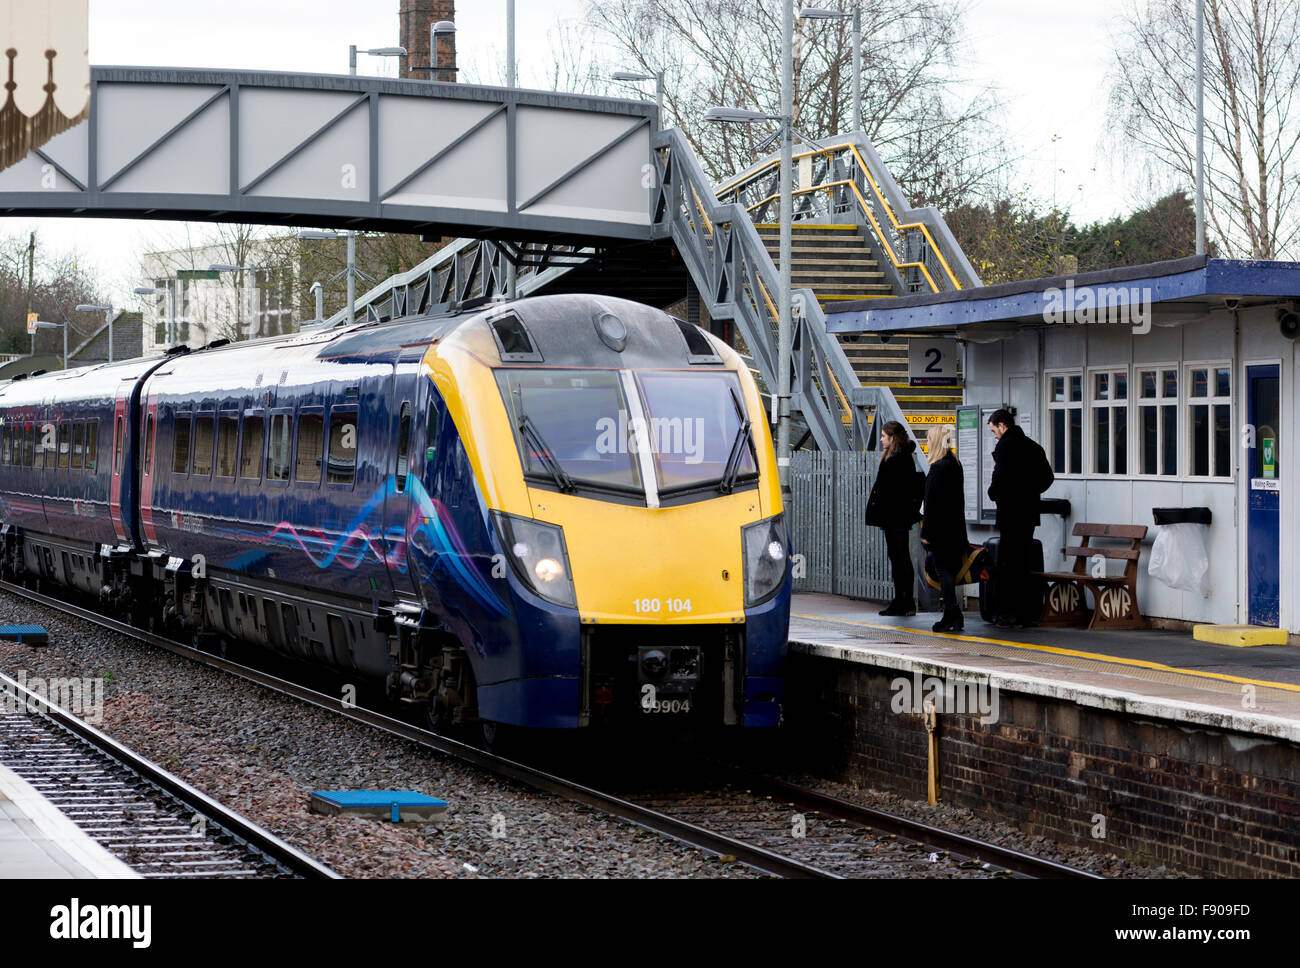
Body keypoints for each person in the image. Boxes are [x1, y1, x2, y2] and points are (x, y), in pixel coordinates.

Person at [986, 408, 1054, 629]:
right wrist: (1030, 493)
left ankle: (1009, 613)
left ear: (1002, 425)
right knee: (1024, 563)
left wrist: (996, 494)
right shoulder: (1032, 447)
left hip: (1009, 514)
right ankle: (1026, 613)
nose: (994, 435)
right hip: (1028, 514)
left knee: (1008, 564)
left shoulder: (1005, 447)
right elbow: (1047, 477)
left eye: (994, 430)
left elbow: (998, 479)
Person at [864, 420, 924, 616]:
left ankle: (903, 601)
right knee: (900, 557)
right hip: (896, 516)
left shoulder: (897, 459)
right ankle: (904, 601)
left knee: (899, 558)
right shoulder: (901, 457)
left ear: (892, 438)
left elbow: (894, 491)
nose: (881, 439)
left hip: (895, 516)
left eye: (883, 436)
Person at [920, 426, 968, 632]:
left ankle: (952, 613)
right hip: (955, 529)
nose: (927, 443)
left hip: (940, 532)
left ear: (937, 442)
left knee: (943, 572)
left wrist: (926, 533)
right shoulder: (955, 465)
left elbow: (931, 504)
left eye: (929, 439)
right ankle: (953, 614)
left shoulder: (938, 468)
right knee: (948, 571)